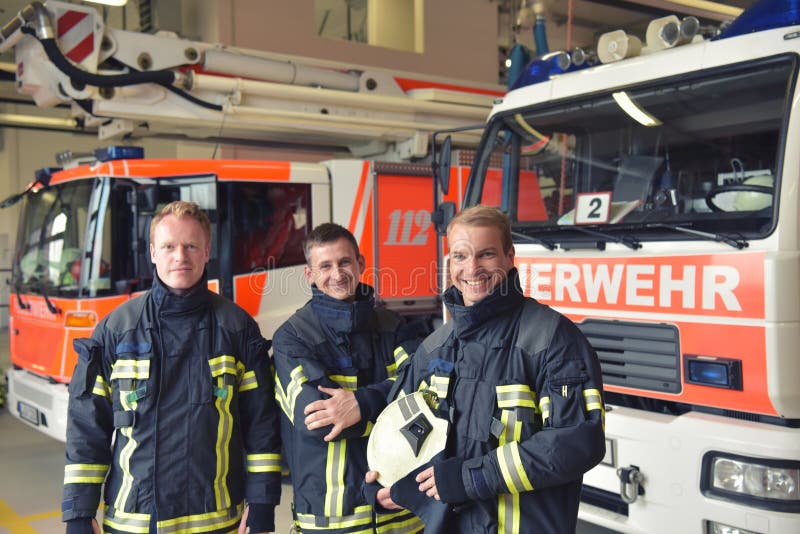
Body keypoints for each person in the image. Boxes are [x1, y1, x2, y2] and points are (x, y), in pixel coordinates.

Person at [366, 205, 606, 533]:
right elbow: (400, 427)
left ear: (510, 256)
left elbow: (578, 442)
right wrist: (385, 482)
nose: (472, 268)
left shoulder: (552, 339)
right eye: (461, 256)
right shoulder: (435, 347)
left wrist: (472, 478)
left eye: (486, 254)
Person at [62, 201, 281, 534]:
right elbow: (87, 427)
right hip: (134, 521)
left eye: (191, 246)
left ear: (207, 252)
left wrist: (262, 504)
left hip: (216, 521)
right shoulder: (116, 330)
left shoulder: (237, 329)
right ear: (153, 252)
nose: (180, 256)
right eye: (168, 247)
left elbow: (261, 425)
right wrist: (79, 511)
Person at [272, 223, 424, 534]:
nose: (337, 274)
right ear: (309, 274)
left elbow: (424, 398)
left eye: (344, 262)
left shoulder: (395, 326)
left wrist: (361, 403)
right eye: (325, 266)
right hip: (331, 520)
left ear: (360, 263)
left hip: (401, 513)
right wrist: (389, 406)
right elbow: (320, 423)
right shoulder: (293, 337)